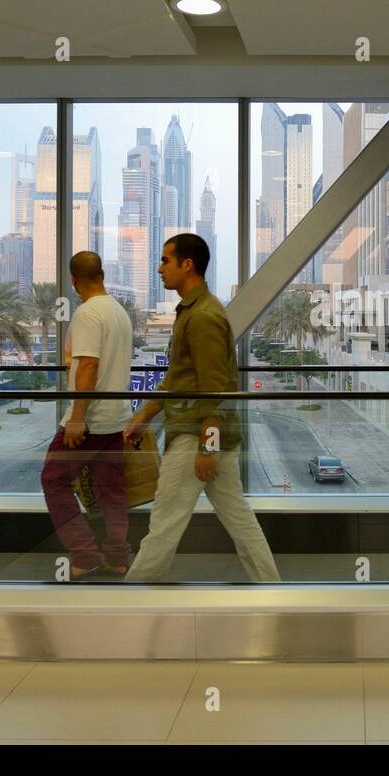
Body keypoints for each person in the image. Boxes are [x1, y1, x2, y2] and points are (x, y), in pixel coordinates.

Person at [123, 233, 280, 583]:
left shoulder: (204, 316)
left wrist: (207, 446)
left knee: (164, 524)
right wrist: (142, 418)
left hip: (196, 436)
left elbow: (217, 387)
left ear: (187, 264)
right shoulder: (192, 311)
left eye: (165, 260)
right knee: (240, 520)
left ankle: (130, 600)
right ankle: (273, 590)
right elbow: (176, 380)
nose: (159, 268)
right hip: (205, 435)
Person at [40, 251, 133, 580]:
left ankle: (84, 553)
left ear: (74, 280)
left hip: (90, 419)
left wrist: (77, 418)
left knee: (53, 480)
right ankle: (118, 558)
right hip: (116, 418)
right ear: (103, 275)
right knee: (112, 491)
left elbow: (89, 365)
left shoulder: (88, 314)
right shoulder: (119, 312)